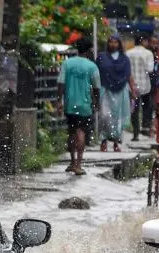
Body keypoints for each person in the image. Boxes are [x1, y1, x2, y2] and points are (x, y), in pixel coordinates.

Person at [57, 37, 101, 176]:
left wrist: (59, 100)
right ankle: (78, 164)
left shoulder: (67, 64)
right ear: (89, 50)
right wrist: (97, 102)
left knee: (71, 131)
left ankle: (71, 161)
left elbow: (61, 83)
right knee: (81, 132)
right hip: (85, 104)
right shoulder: (92, 66)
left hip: (70, 103)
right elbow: (97, 87)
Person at [96, 34, 135, 152]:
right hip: (105, 89)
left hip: (121, 90)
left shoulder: (124, 59)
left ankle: (116, 142)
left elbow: (128, 75)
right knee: (104, 116)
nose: (113, 44)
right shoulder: (102, 57)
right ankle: (103, 140)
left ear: (119, 44)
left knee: (118, 117)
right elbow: (96, 74)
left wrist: (133, 90)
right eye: (110, 42)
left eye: (115, 42)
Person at [126, 35, 156, 141]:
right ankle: (145, 128)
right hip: (145, 86)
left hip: (132, 86)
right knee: (147, 107)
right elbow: (150, 69)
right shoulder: (148, 53)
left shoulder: (128, 53)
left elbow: (126, 70)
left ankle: (135, 133)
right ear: (143, 41)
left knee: (134, 109)